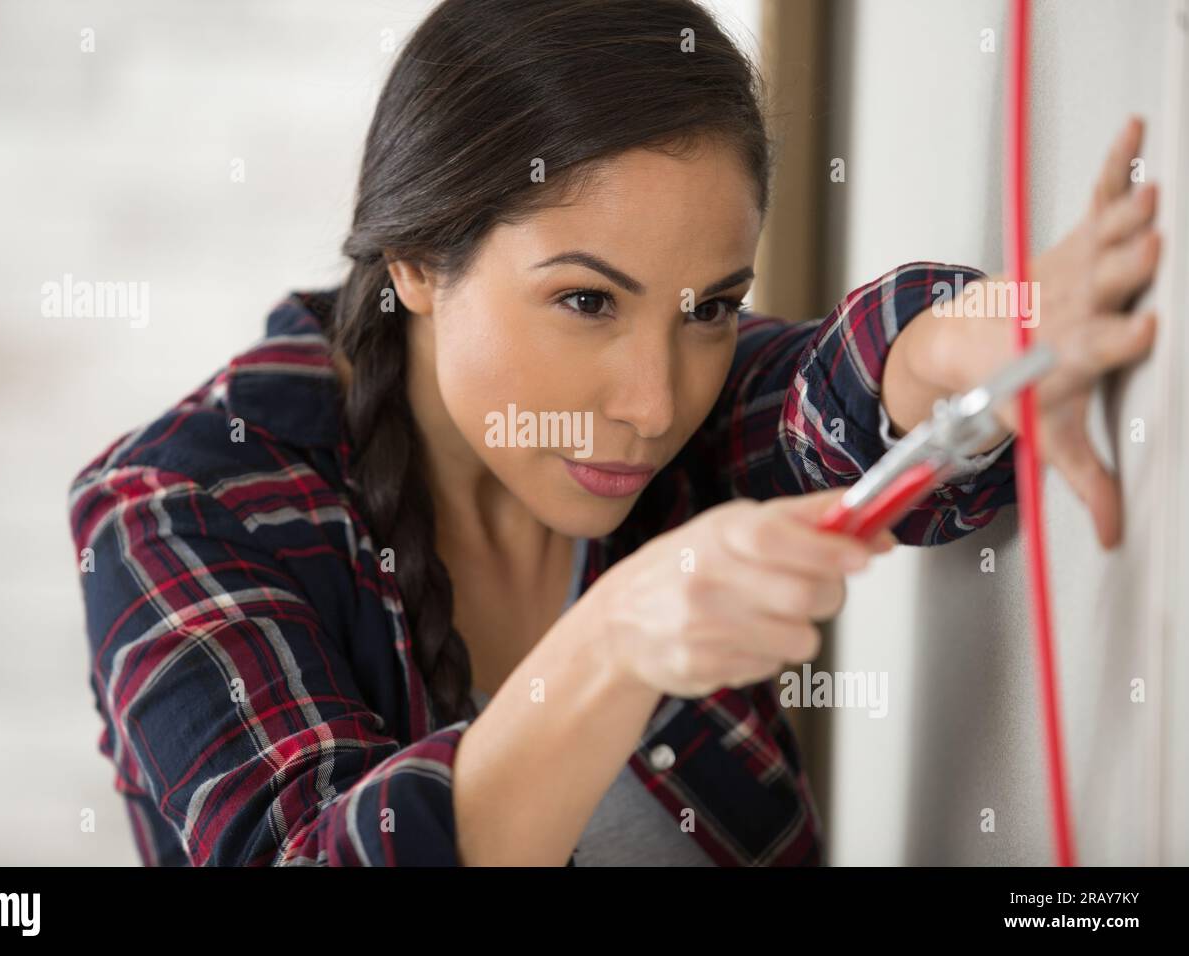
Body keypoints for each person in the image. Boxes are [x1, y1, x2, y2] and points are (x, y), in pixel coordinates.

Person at [67, 0, 1160, 866]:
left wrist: (988, 339)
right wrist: (617, 638)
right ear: (413, 262)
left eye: (709, 308)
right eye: (586, 300)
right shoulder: (180, 507)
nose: (652, 401)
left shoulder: (689, 427)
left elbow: (843, 382)